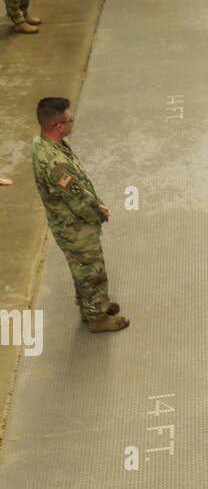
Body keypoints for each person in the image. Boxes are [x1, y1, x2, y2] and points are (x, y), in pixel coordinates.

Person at [32, 97, 128, 332]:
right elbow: (77, 198)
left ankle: (93, 306)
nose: (72, 123)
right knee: (91, 270)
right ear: (59, 126)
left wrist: (96, 202)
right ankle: (97, 318)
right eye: (70, 119)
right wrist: (98, 212)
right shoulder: (56, 163)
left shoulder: (43, 143)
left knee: (82, 269)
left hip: (68, 222)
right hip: (75, 227)